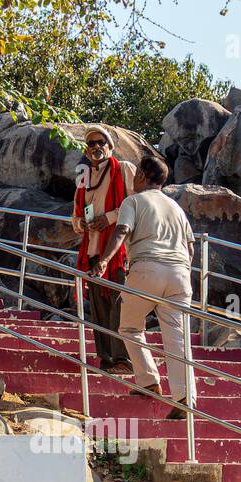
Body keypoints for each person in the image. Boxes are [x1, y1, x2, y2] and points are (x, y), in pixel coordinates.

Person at [90, 155, 196, 421]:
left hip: (147, 269)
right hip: (180, 273)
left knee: (129, 327)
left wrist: (103, 260)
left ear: (142, 176)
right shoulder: (175, 207)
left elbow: (122, 231)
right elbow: (191, 246)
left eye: (136, 173)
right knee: (178, 339)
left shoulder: (133, 201)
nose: (133, 178)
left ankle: (148, 380)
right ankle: (185, 399)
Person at [72, 127, 133, 373]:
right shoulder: (83, 176)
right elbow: (75, 215)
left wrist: (108, 218)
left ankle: (123, 360)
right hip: (93, 250)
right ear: (87, 151)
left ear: (110, 146)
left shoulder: (124, 169)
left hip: (118, 252)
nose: (97, 147)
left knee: (120, 303)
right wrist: (81, 223)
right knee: (99, 307)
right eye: (91, 144)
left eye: (101, 142)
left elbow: (134, 206)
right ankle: (107, 359)